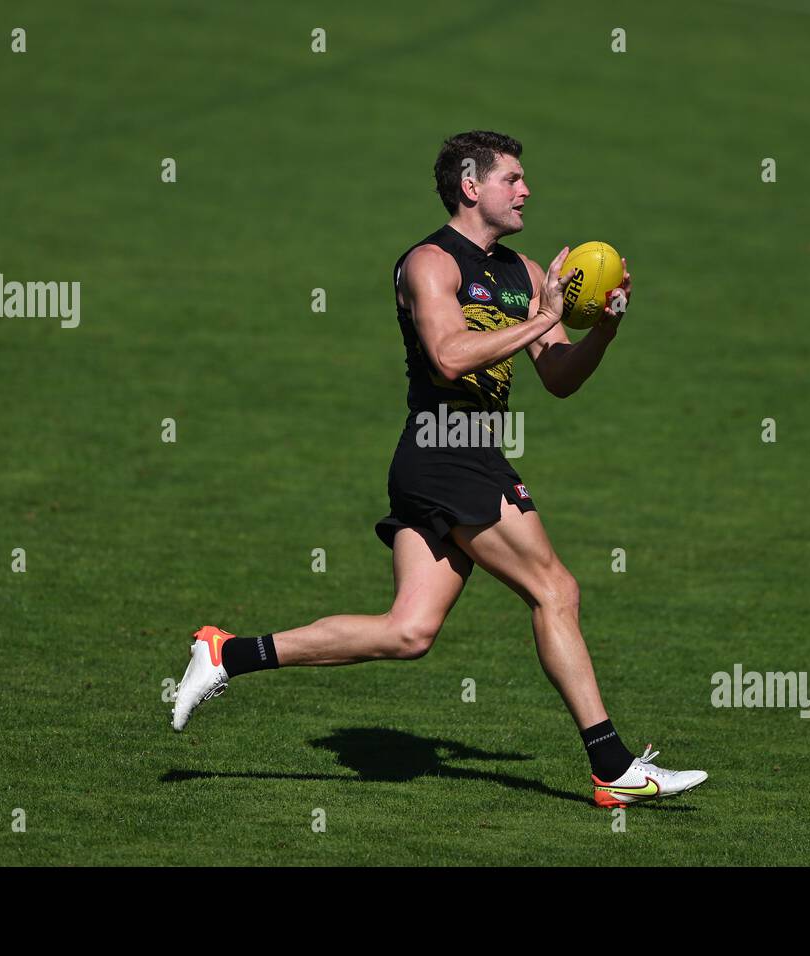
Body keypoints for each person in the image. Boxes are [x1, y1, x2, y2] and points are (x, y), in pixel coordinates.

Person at [170, 130, 707, 808]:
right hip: (443, 446)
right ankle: (612, 766)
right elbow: (449, 356)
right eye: (512, 178)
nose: (526, 190)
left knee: (409, 631)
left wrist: (601, 328)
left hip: (465, 451)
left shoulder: (525, 272)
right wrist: (541, 317)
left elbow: (561, 379)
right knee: (555, 591)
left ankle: (225, 654)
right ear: (470, 185)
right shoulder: (429, 263)